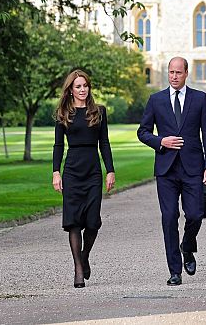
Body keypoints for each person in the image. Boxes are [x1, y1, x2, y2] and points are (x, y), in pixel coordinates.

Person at [137, 57, 206, 286]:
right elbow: (142, 132)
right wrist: (161, 141)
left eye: (178, 72)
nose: (174, 76)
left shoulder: (199, 99)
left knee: (195, 215)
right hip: (166, 169)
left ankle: (188, 246)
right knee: (169, 217)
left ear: (186, 73)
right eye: (171, 72)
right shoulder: (156, 100)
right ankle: (174, 271)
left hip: (193, 167)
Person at [52, 69, 116, 289]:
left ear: (89, 88)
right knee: (73, 222)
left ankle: (85, 255)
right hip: (72, 170)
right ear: (70, 90)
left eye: (85, 86)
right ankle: (78, 269)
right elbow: (58, 145)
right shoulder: (63, 113)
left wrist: (110, 170)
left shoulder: (99, 111)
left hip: (92, 170)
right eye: (77, 86)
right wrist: (56, 172)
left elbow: (104, 143)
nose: (82, 89)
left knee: (92, 221)